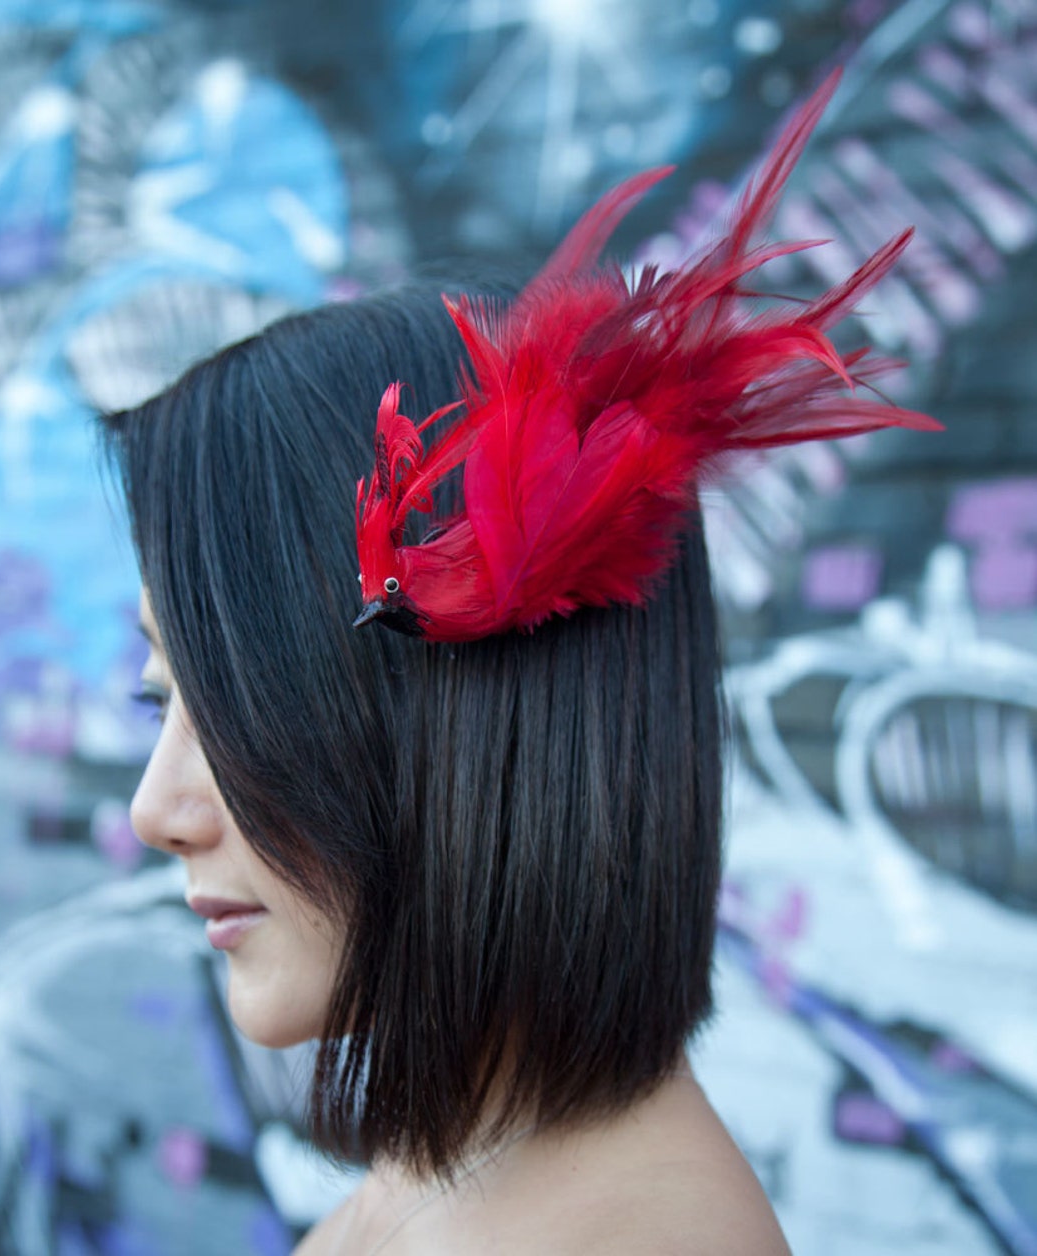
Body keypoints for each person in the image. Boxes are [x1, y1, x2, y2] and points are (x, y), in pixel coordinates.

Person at [101, 77, 934, 1254]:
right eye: (161, 699)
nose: (155, 809)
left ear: (462, 719)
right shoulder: (453, 1184)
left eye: (232, 698)